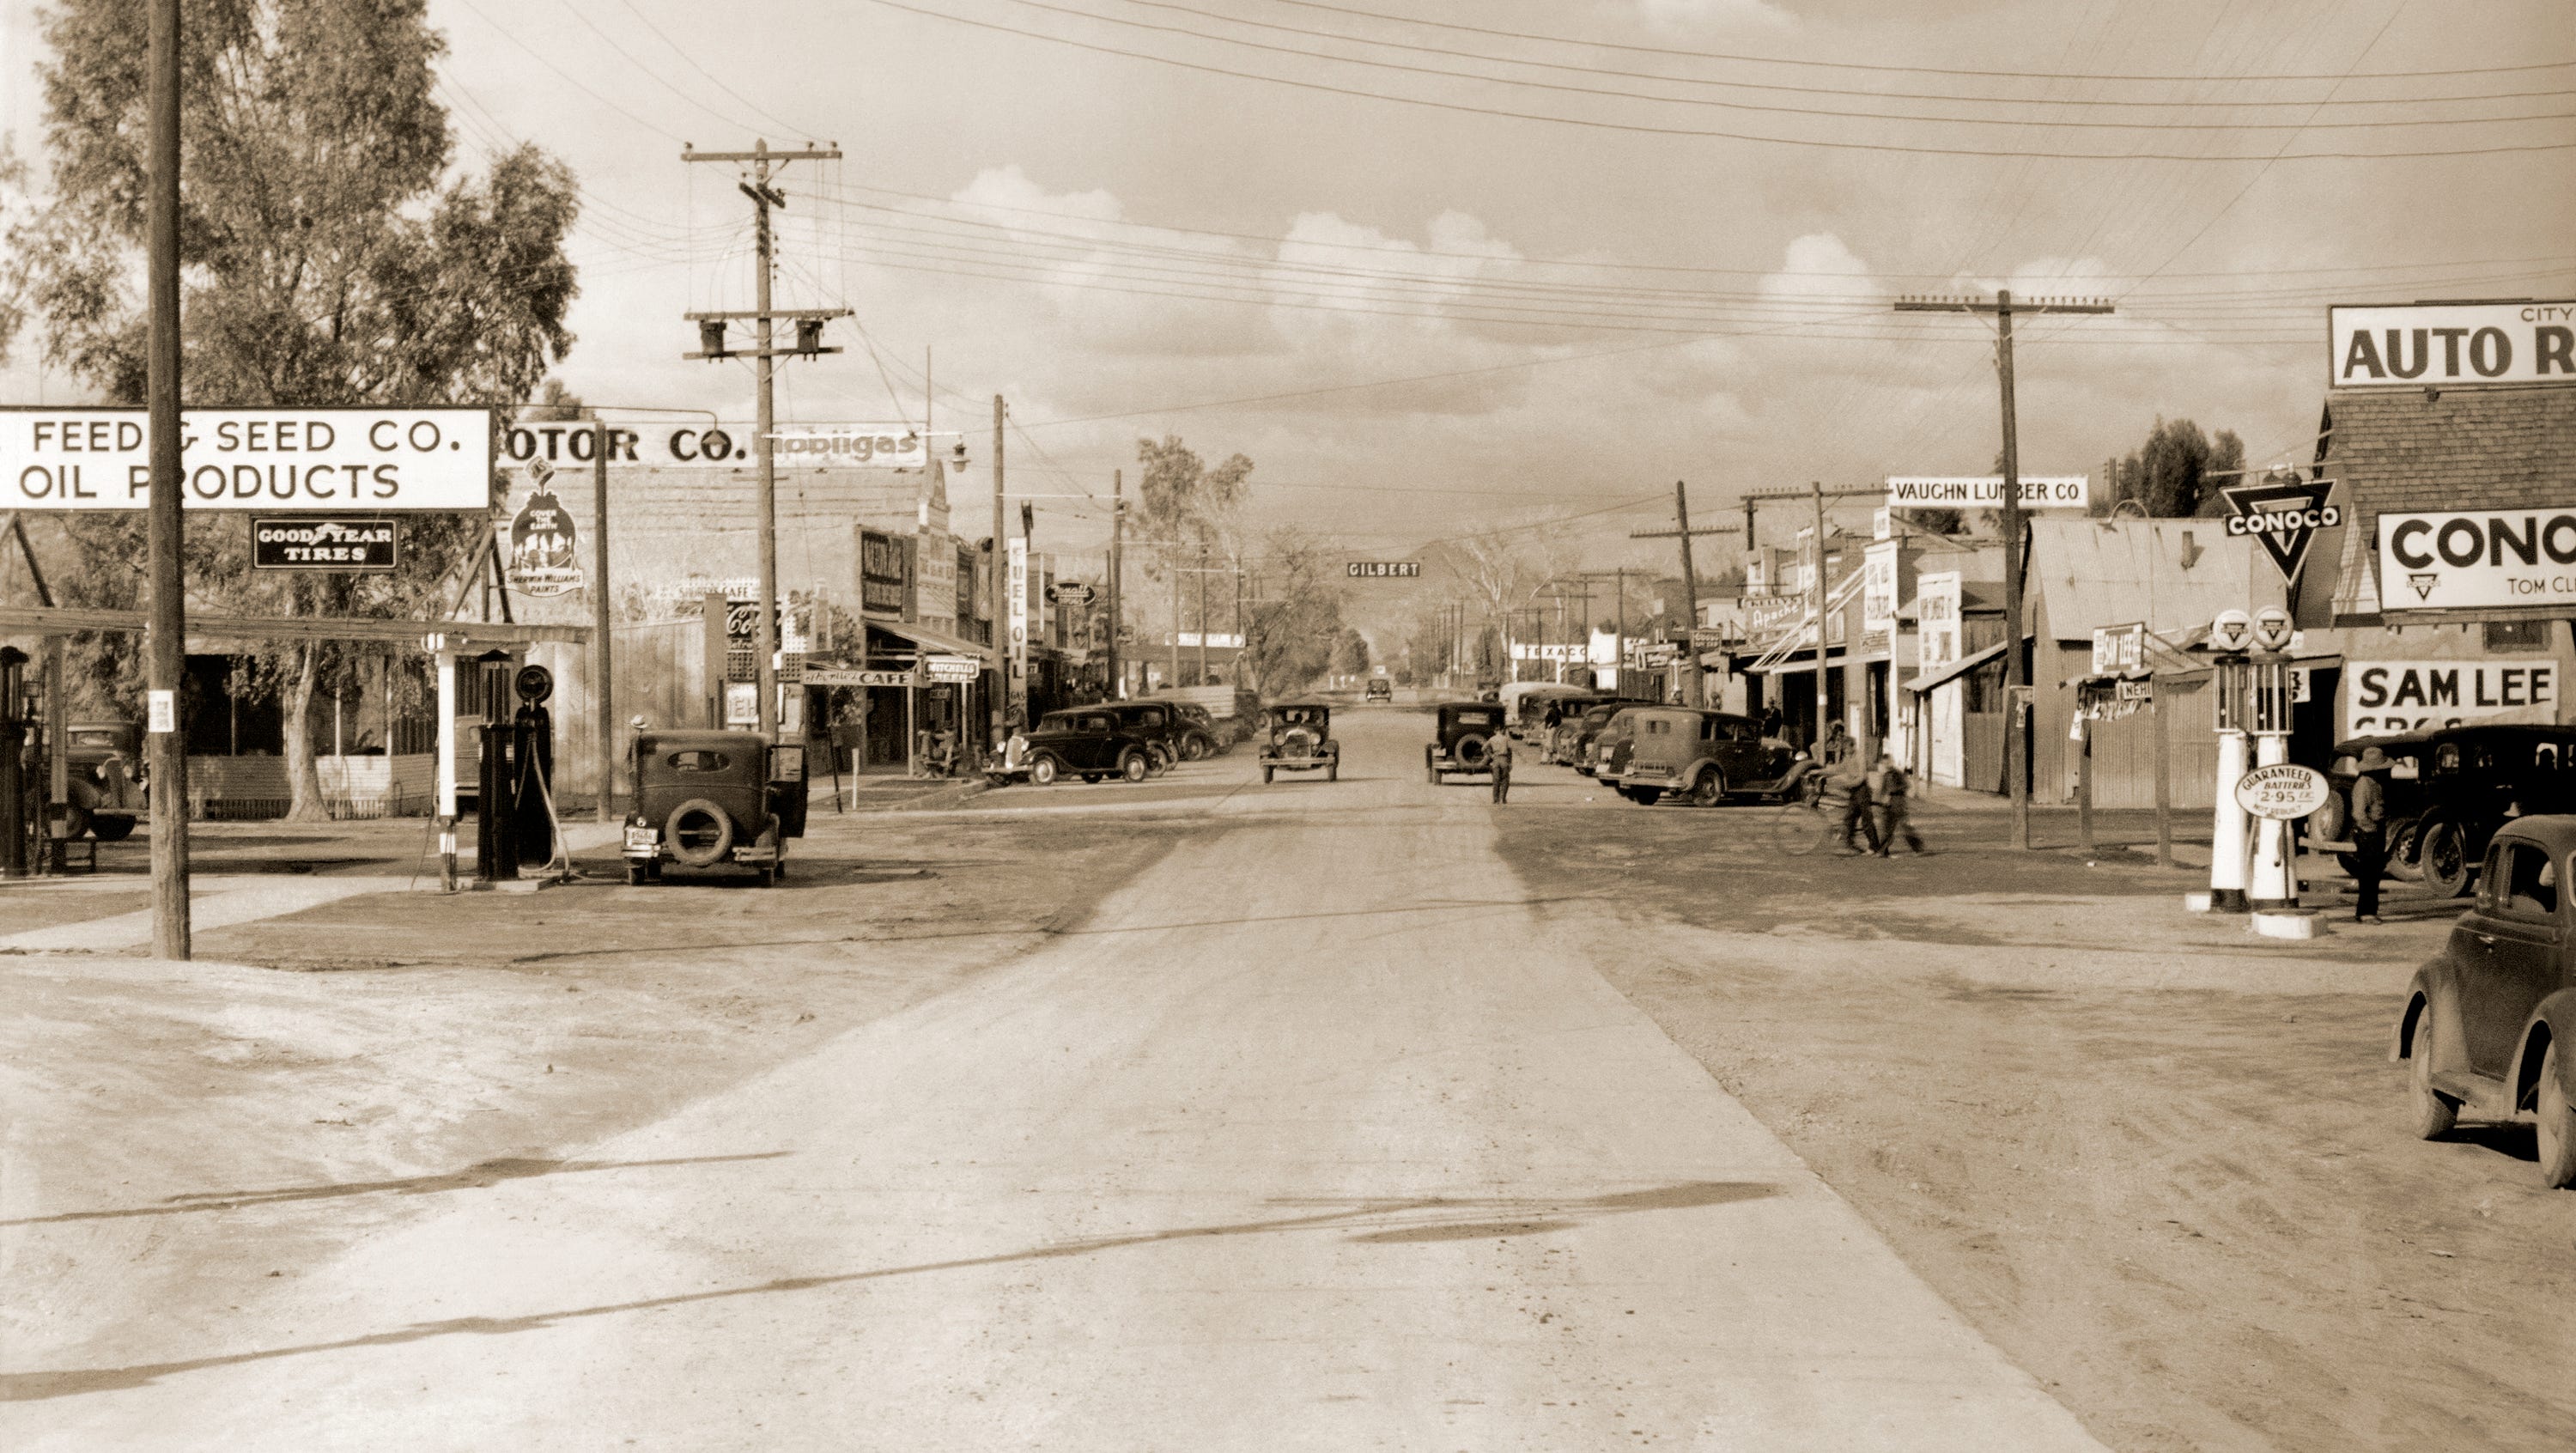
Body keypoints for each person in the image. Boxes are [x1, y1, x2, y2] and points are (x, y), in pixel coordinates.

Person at [2349, 745, 2389, 924]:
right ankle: (2366, 912)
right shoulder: (2364, 784)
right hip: (2368, 833)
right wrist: (2370, 829)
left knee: (2373, 874)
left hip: (2374, 831)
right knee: (2368, 874)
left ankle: (2369, 910)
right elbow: (2358, 813)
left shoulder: (2374, 782)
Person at [1868, 751, 1927, 855]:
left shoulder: (1897, 774)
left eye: (1888, 762)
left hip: (1898, 803)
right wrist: (1877, 800)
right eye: (1885, 763)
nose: (1887, 765)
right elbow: (1882, 789)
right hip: (1888, 805)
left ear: (1892, 762)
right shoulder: (1886, 775)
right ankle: (1883, 851)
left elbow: (1906, 785)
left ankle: (1918, 848)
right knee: (1887, 828)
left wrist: (1893, 791)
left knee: (1904, 827)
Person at [1823, 752, 1880, 854]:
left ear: (1852, 747)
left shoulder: (1860, 757)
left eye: (1847, 748)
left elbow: (1862, 777)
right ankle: (1850, 845)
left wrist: (1849, 784)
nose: (1846, 751)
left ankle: (1875, 847)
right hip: (1854, 791)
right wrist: (1819, 772)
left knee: (1866, 820)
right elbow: (1837, 769)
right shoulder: (1847, 758)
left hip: (1862, 791)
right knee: (1849, 818)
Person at [1490, 730, 1515, 805]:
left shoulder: (1492, 739)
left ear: (1495, 731)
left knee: (1496, 780)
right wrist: (1510, 762)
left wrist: (1491, 755)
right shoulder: (1505, 739)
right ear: (1502, 730)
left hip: (1496, 759)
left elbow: (1483, 748)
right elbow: (1510, 750)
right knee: (1505, 779)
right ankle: (1502, 799)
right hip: (1504, 759)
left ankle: (1495, 799)